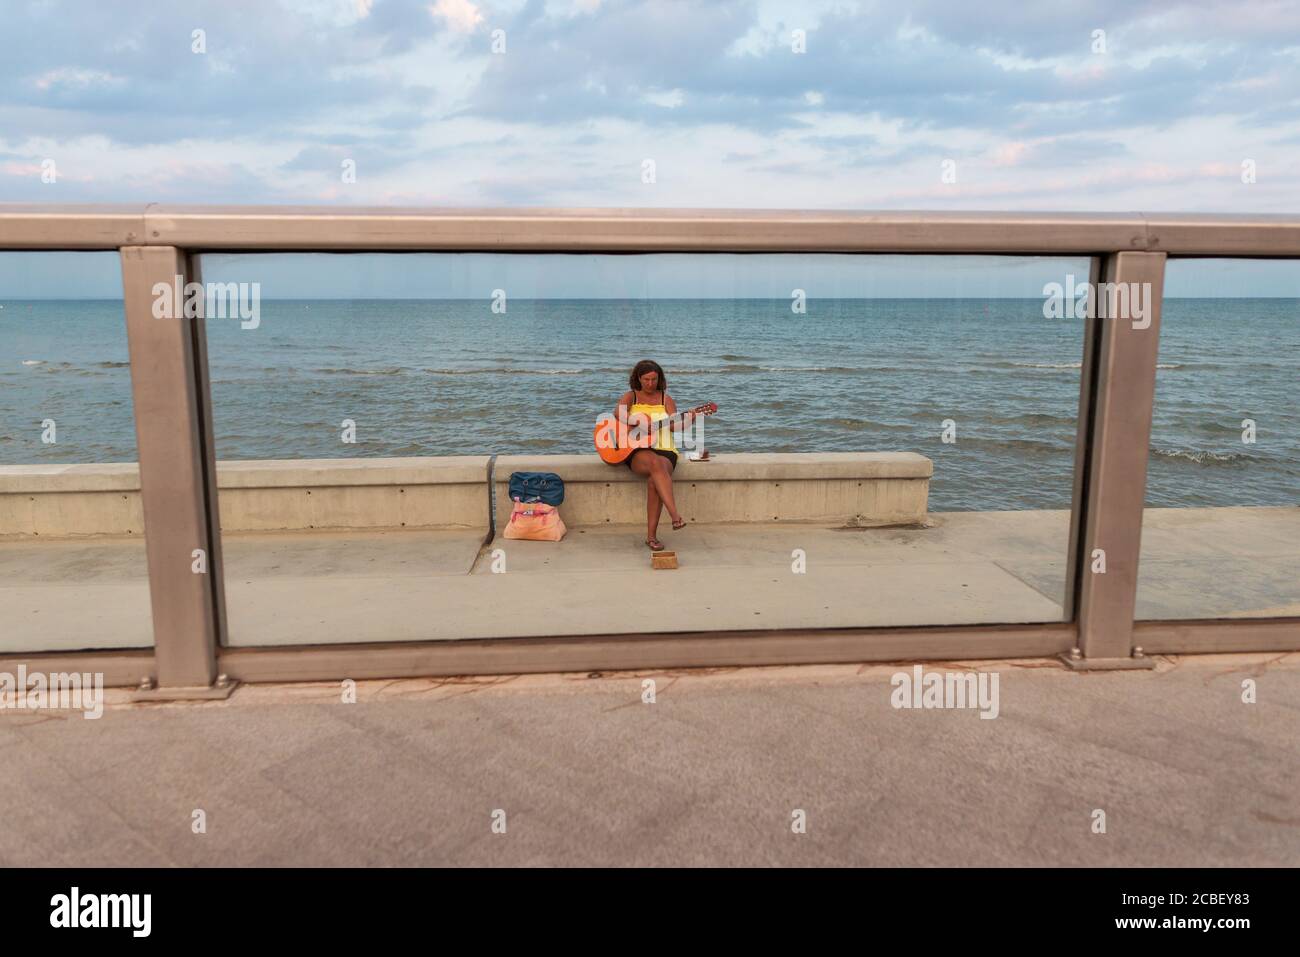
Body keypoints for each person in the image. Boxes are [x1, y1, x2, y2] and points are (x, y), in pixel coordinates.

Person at [614, 359, 695, 551]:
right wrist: (637, 421)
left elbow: (674, 426)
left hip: (666, 449)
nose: (650, 384)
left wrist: (690, 419)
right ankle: (675, 516)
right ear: (638, 379)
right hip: (636, 450)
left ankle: (651, 537)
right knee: (654, 463)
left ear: (660, 379)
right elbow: (618, 413)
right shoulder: (630, 397)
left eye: (654, 379)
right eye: (646, 379)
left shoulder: (665, 399)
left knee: (655, 477)